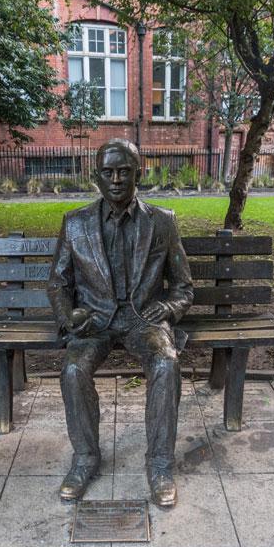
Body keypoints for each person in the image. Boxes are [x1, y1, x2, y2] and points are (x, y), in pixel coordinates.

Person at [47, 139, 194, 508]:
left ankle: (160, 464)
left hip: (142, 320)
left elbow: (184, 286)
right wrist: (68, 316)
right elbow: (58, 283)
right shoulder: (75, 223)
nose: (116, 179)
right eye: (108, 172)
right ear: (96, 176)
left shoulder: (162, 222)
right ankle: (85, 458)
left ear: (138, 174)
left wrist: (170, 308)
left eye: (124, 171)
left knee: (166, 363)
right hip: (94, 321)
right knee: (72, 371)